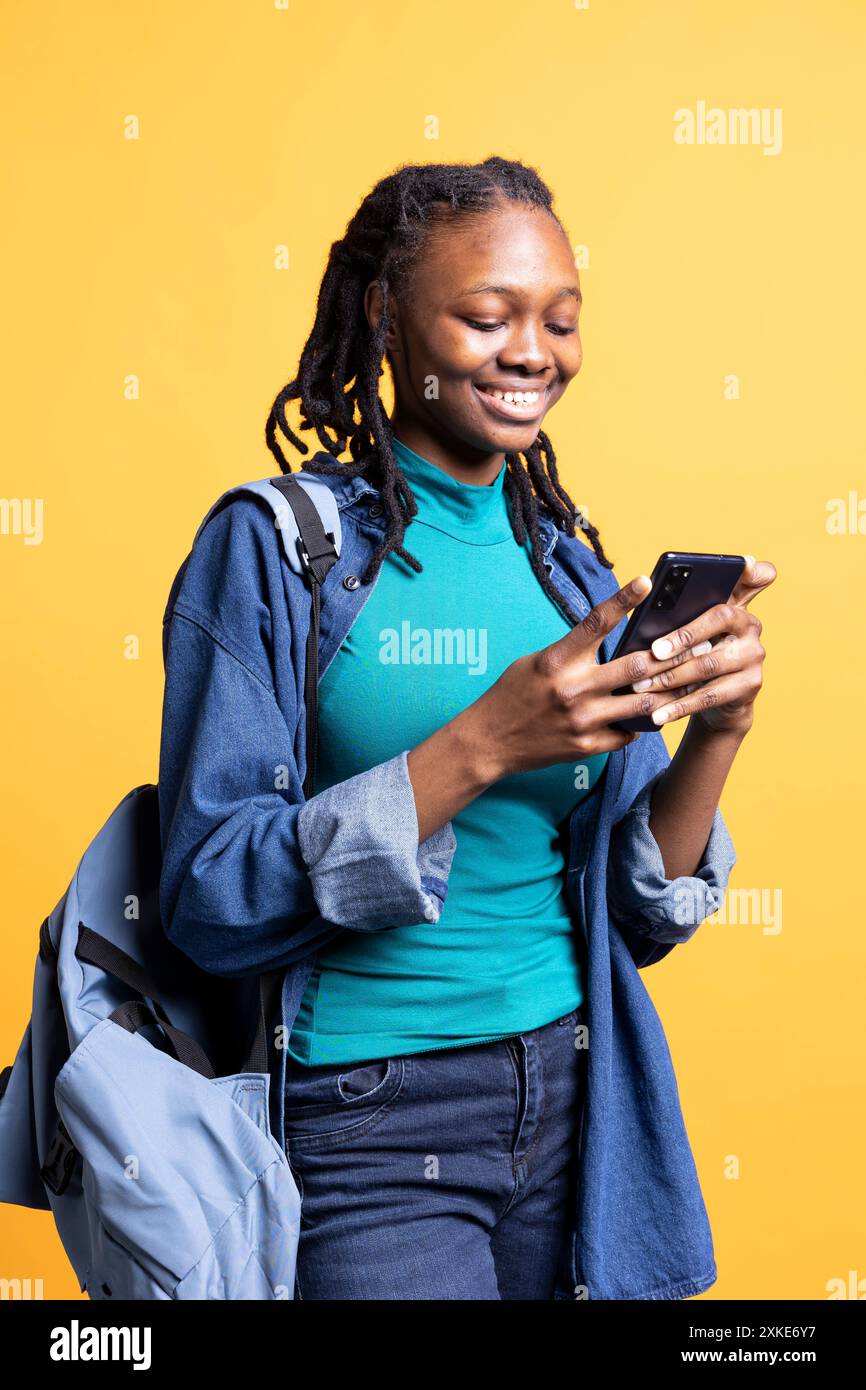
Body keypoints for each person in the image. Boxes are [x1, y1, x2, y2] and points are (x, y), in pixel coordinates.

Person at [158, 156, 775, 1300]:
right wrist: (485, 741)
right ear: (387, 318)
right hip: (366, 1116)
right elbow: (207, 897)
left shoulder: (568, 571)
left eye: (559, 319)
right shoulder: (277, 551)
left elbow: (637, 915)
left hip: (577, 1099)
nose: (531, 351)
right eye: (487, 317)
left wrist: (719, 731)